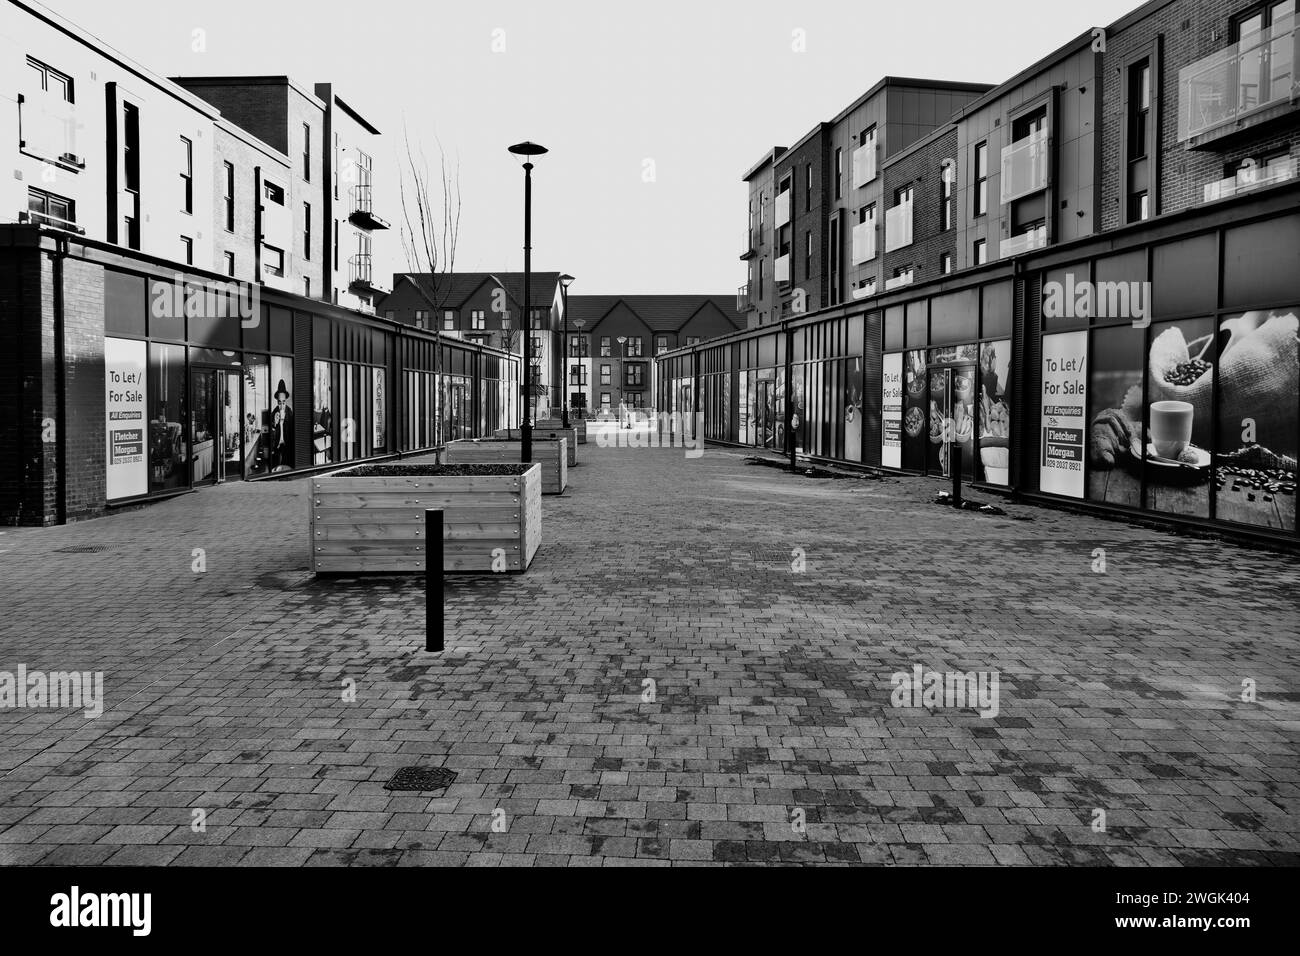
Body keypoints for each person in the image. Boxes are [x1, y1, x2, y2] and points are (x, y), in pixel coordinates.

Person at [269, 379, 294, 472]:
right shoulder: (273, 414)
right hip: (277, 447)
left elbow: (293, 433)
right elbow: (270, 438)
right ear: (277, 402)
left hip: (287, 445)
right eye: (280, 403)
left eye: (284, 402)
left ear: (286, 401)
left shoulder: (290, 412)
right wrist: (274, 424)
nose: (282, 406)